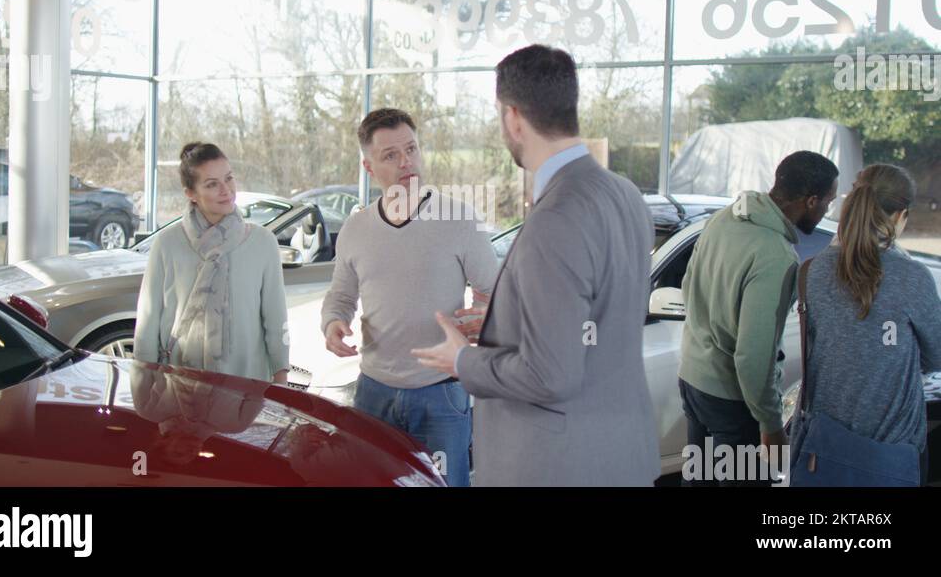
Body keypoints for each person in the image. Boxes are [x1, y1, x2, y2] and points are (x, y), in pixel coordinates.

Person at [413, 44, 660, 486]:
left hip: (557, 466)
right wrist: (508, 320)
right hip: (621, 453)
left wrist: (463, 360)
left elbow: (551, 375)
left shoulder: (557, 216)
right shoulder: (625, 193)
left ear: (512, 116)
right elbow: (595, 314)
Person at [320, 107, 498, 487]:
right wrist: (334, 323)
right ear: (369, 167)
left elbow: (495, 292)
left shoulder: (460, 219)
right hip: (372, 392)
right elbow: (341, 294)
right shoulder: (355, 228)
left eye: (412, 149)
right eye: (391, 155)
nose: (407, 162)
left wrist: (482, 317)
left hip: (442, 394)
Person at [678, 150, 839, 486]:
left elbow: (687, 286)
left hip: (693, 383)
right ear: (811, 200)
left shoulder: (724, 219)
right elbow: (753, 357)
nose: (827, 211)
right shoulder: (776, 257)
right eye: (827, 202)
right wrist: (770, 424)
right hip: (734, 403)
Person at [792, 164, 941, 485]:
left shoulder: (813, 272)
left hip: (825, 452)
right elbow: (937, 357)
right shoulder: (912, 277)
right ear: (900, 215)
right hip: (893, 455)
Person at [133, 142, 290, 384]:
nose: (226, 190)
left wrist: (281, 377)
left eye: (229, 179)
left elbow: (275, 316)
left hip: (247, 388)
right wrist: (143, 386)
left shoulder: (263, 242)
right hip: (178, 386)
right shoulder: (167, 243)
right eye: (212, 184)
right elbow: (148, 320)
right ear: (191, 194)